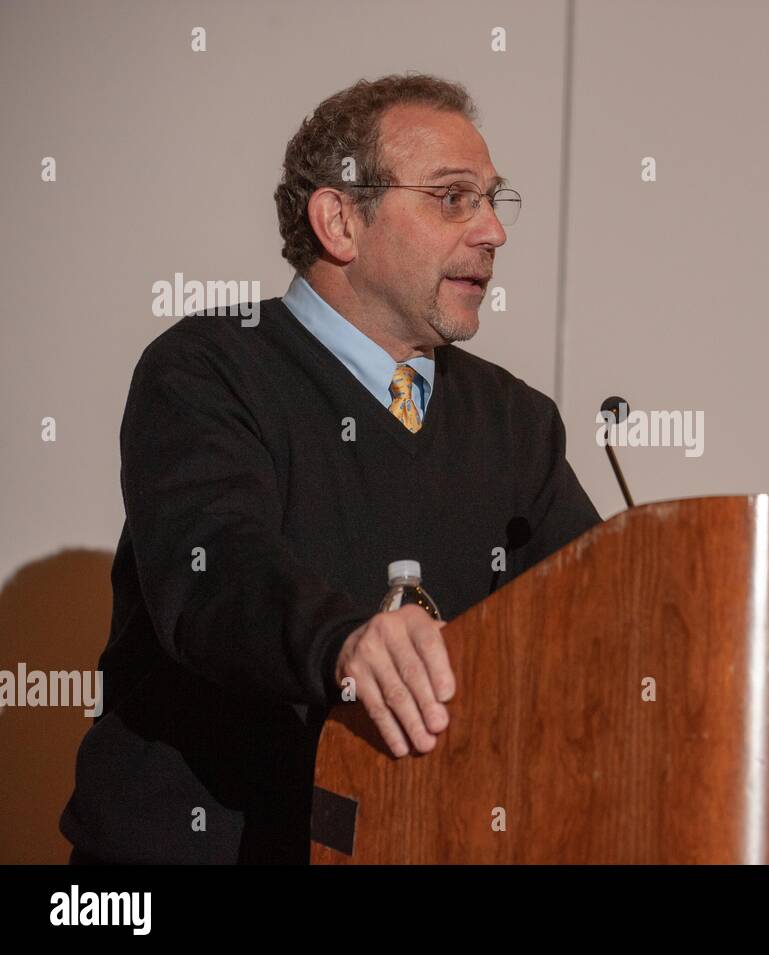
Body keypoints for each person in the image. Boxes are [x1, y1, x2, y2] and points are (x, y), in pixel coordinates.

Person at [60, 74, 601, 864]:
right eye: (454, 198)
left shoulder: (517, 421)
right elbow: (217, 571)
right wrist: (343, 643)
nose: (493, 232)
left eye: (493, 200)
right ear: (340, 219)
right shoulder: (207, 372)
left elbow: (597, 611)